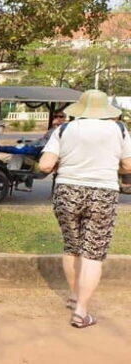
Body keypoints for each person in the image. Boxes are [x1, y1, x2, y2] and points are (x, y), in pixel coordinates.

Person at [39, 89, 131, 329]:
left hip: (67, 190)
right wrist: (111, 167)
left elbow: (45, 165)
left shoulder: (65, 129)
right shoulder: (119, 130)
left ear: (80, 109)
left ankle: (73, 295)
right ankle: (81, 311)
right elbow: (128, 165)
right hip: (103, 192)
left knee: (72, 247)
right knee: (93, 253)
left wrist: (69, 162)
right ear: (105, 111)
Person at [0, 112, 68, 191]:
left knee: (18, 154)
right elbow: (40, 141)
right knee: (15, 154)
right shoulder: (54, 129)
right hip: (38, 152)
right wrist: (27, 144)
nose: (58, 118)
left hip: (42, 157)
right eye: (56, 116)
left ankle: (9, 175)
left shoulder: (63, 129)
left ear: (64, 118)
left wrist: (56, 127)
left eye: (60, 117)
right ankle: (15, 177)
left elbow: (46, 144)